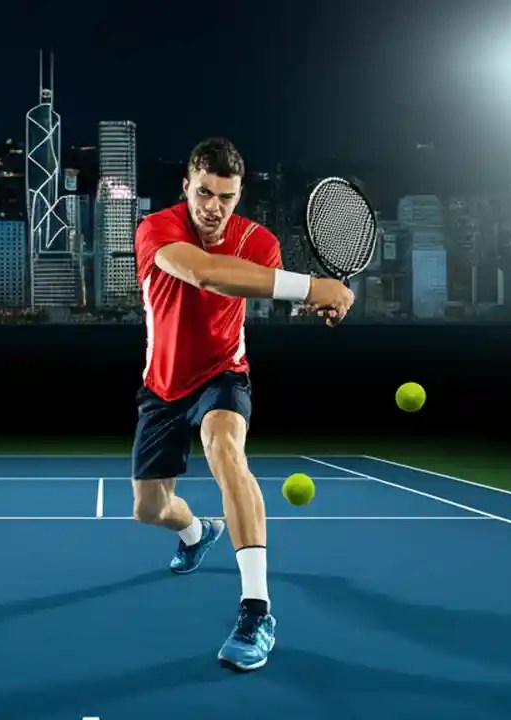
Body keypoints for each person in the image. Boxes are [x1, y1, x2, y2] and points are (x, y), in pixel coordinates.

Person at [130, 137, 354, 671]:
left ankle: (256, 610)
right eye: (204, 192)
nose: (212, 206)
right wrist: (312, 286)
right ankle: (196, 530)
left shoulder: (259, 241)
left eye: (225, 197)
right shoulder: (156, 229)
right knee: (149, 510)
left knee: (225, 451)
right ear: (186, 186)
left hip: (223, 375)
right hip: (161, 387)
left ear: (239, 196)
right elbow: (206, 273)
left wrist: (314, 304)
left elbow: (263, 290)